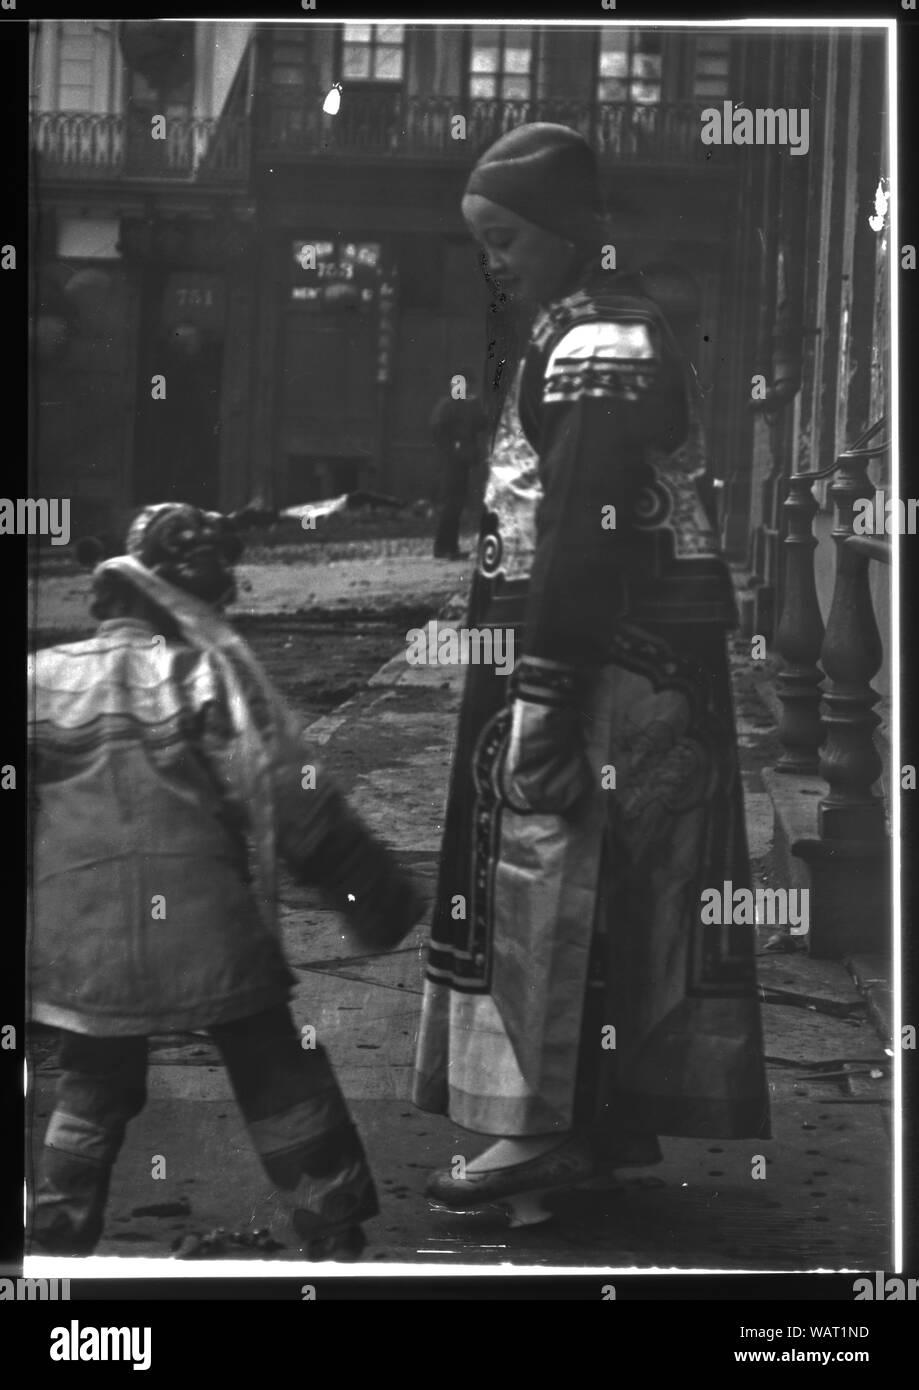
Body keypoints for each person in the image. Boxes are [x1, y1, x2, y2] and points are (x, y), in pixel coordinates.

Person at [411, 124, 770, 1226]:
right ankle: (596, 1127)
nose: (495, 261)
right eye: (483, 241)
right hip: (634, 658)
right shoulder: (597, 325)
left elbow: (578, 531)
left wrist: (546, 694)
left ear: (566, 232)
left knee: (549, 877)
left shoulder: (596, 342)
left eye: (507, 236)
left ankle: (534, 1128)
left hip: (596, 663)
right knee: (619, 888)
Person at [28, 502, 425, 1260]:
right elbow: (286, 790)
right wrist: (364, 885)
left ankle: (57, 1221)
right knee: (275, 1066)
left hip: (84, 943)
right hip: (208, 929)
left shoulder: (41, 680)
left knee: (91, 1081)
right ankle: (329, 1215)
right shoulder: (209, 677)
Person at [430, 379, 487, 559]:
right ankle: (444, 547)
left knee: (456, 504)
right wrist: (451, 448)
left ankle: (449, 547)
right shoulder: (450, 406)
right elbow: (439, 430)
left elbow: (482, 423)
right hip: (453, 461)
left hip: (461, 460)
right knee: (452, 504)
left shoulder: (464, 406)